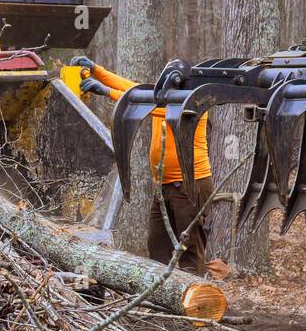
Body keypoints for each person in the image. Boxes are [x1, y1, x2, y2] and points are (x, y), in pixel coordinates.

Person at [74, 57, 224, 277]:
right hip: (164, 188)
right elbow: (129, 88)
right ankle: (162, 295)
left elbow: (150, 106)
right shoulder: (160, 97)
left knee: (190, 250)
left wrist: (106, 92)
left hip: (190, 186)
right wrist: (97, 70)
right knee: (158, 247)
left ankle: (196, 301)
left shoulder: (195, 103)